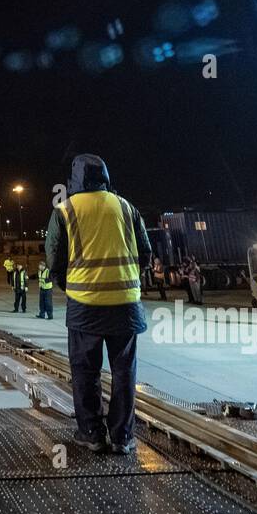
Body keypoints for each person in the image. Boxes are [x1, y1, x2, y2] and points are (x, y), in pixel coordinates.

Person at [47, 153, 153, 456]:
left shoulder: (65, 210)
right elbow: (145, 253)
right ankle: (122, 436)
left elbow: (54, 258)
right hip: (125, 306)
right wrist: (125, 280)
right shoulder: (126, 207)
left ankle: (92, 433)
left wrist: (72, 287)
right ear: (105, 176)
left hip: (85, 306)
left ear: (75, 179)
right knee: (124, 373)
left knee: (85, 372)